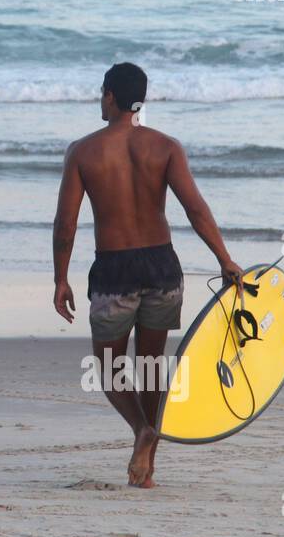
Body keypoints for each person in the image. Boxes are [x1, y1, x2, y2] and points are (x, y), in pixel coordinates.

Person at [51, 63, 242, 488]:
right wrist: (224, 259)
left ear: (110, 97)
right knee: (152, 365)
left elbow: (66, 224)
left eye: (102, 93)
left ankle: (142, 430)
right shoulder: (166, 147)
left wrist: (60, 279)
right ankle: (147, 462)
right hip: (161, 265)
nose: (100, 99)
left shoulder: (82, 152)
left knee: (110, 369)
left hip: (115, 268)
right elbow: (195, 209)